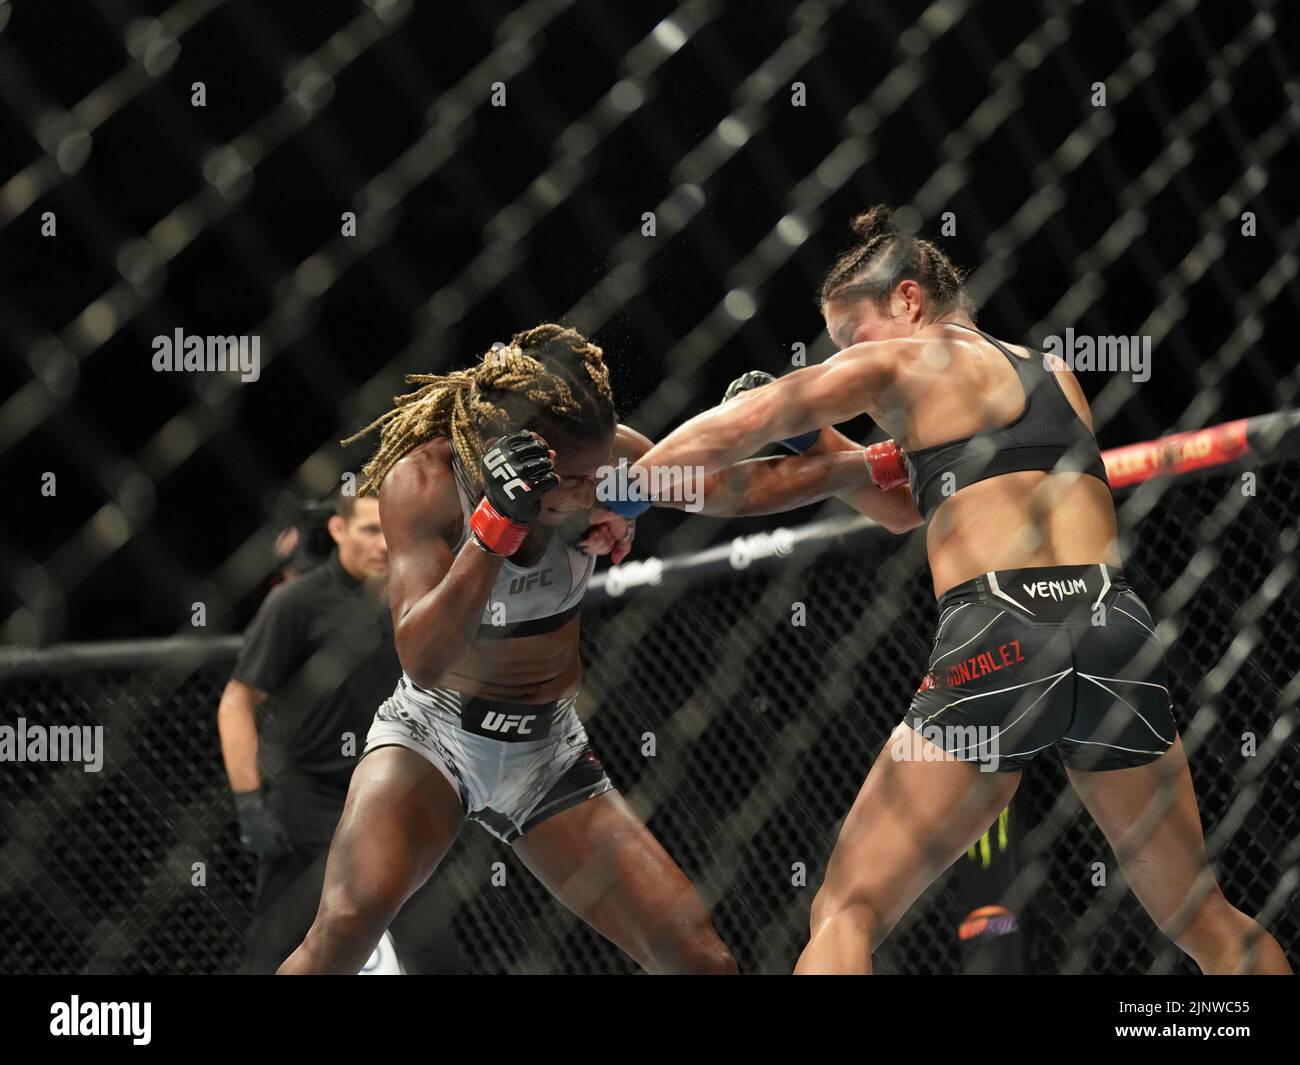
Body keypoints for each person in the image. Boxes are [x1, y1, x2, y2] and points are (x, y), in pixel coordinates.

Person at [622, 205, 1292, 975]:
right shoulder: (1052, 371)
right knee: (1198, 912)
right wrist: (817, 443)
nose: (846, 362)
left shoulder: (911, 359)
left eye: (852, 340)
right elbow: (900, 504)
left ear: (908, 300)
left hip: (1001, 631)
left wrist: (623, 491)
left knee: (846, 908)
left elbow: (750, 420)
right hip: (1113, 627)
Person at [217, 492, 462, 973]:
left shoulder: (411, 594)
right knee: (277, 953)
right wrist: (248, 802)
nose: (381, 545)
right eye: (369, 530)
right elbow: (236, 702)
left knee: (431, 953)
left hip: (392, 799)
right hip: (310, 804)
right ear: (337, 530)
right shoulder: (295, 603)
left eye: (388, 532)